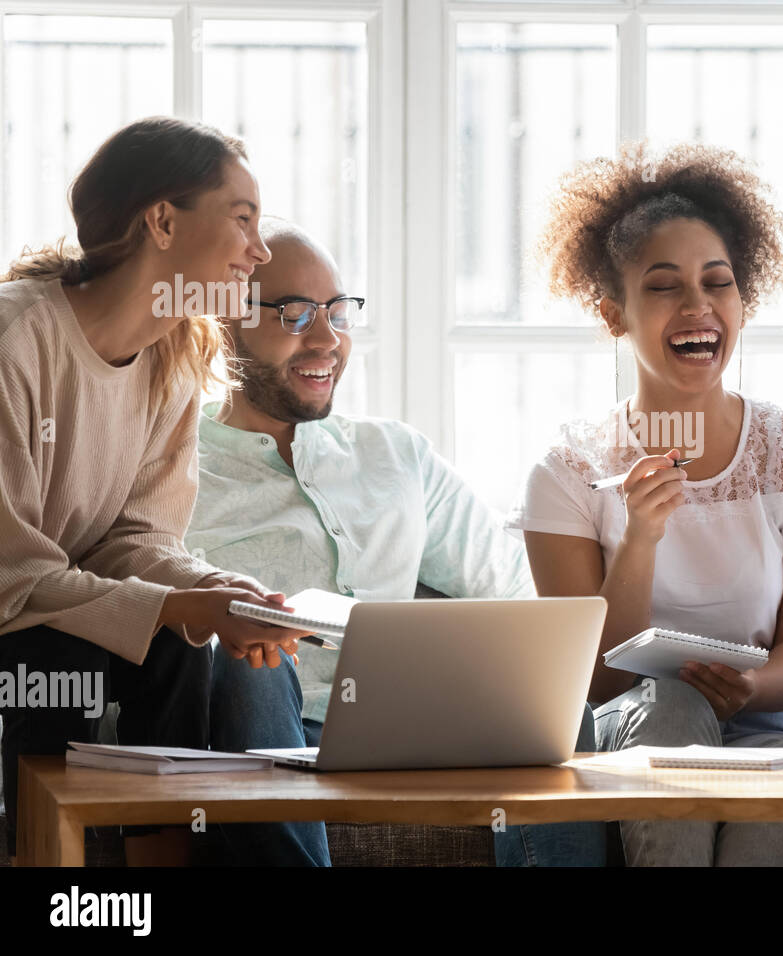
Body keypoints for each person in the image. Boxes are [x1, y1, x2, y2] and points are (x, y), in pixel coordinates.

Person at [183, 218, 590, 866]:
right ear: (223, 326)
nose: (327, 340)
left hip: (412, 729)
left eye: (337, 311)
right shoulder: (174, 467)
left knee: (566, 705)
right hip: (272, 729)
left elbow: (518, 591)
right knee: (246, 656)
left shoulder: (395, 454)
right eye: (294, 314)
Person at [507, 141, 783, 866]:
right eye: (665, 286)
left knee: (771, 817)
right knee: (670, 705)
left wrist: (753, 685)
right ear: (615, 313)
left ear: (742, 299)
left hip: (775, 721)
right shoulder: (570, 470)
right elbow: (597, 677)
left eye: (719, 282)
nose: (699, 305)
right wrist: (639, 539)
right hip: (630, 723)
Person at [0, 117, 309, 864]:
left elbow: (133, 540)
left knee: (204, 643)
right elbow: (9, 575)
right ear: (162, 221)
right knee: (56, 665)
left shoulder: (176, 349)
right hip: (19, 626)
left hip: (56, 610)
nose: (260, 252)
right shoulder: (17, 342)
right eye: (243, 220)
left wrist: (212, 590)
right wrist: (176, 605)